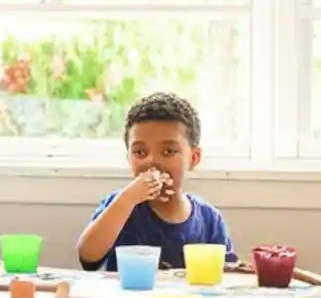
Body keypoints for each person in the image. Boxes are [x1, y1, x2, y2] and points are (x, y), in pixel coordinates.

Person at [77, 92, 237, 272]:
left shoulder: (209, 219)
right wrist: (129, 198)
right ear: (129, 158)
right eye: (140, 153)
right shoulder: (120, 206)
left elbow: (227, 274)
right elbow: (88, 257)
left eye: (168, 151)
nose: (152, 161)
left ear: (194, 158)